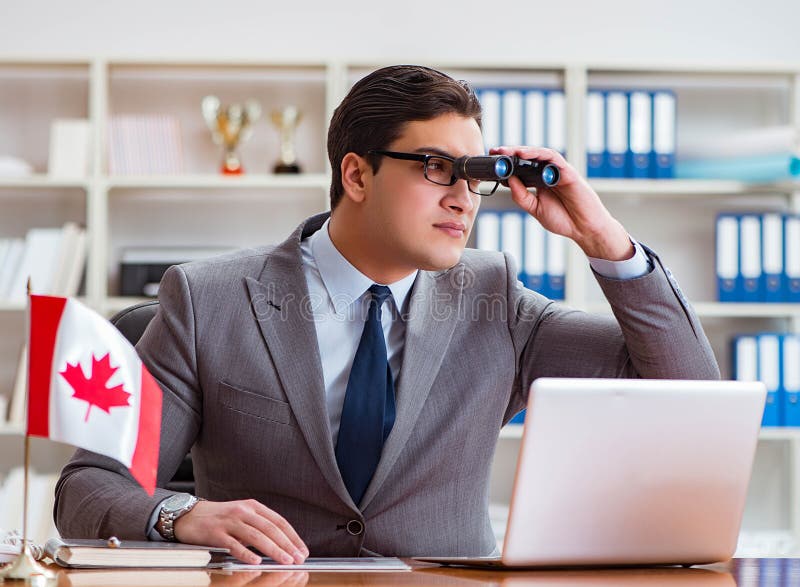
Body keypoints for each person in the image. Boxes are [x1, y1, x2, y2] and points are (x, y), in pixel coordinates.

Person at [54, 65, 719, 564]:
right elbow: (88, 487)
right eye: (438, 167)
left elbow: (687, 395)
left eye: (475, 174)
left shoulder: (496, 300)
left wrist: (606, 240)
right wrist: (181, 513)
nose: (464, 198)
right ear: (357, 175)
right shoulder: (211, 300)